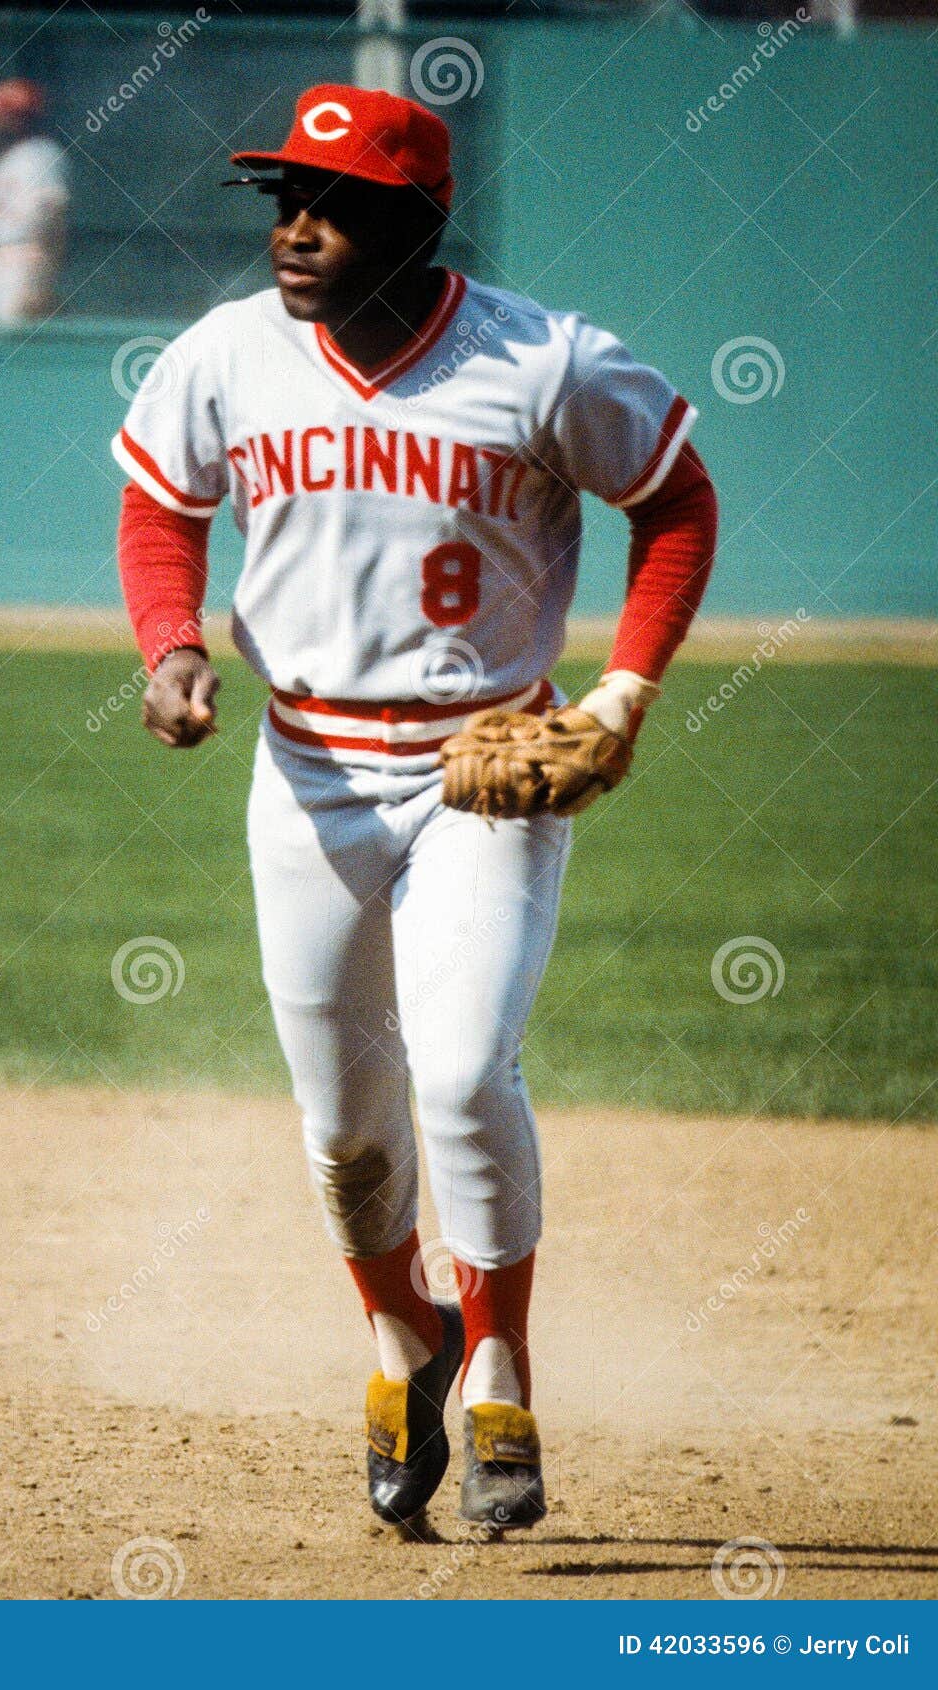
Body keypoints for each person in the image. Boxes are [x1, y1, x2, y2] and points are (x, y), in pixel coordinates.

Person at [112, 84, 718, 1529]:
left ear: (417, 222)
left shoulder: (540, 361)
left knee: (456, 1070)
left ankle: (500, 1350)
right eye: (281, 203)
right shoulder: (229, 355)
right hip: (307, 769)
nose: (294, 231)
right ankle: (403, 1334)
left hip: (484, 769)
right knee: (346, 1126)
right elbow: (160, 504)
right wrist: (172, 643)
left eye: (331, 207)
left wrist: (623, 694)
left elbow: (677, 499)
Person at [0, 79, 69, 336]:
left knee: (18, 348)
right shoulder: (8, 160)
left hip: (24, 266)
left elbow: (51, 216)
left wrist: (41, 279)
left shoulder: (41, 154)